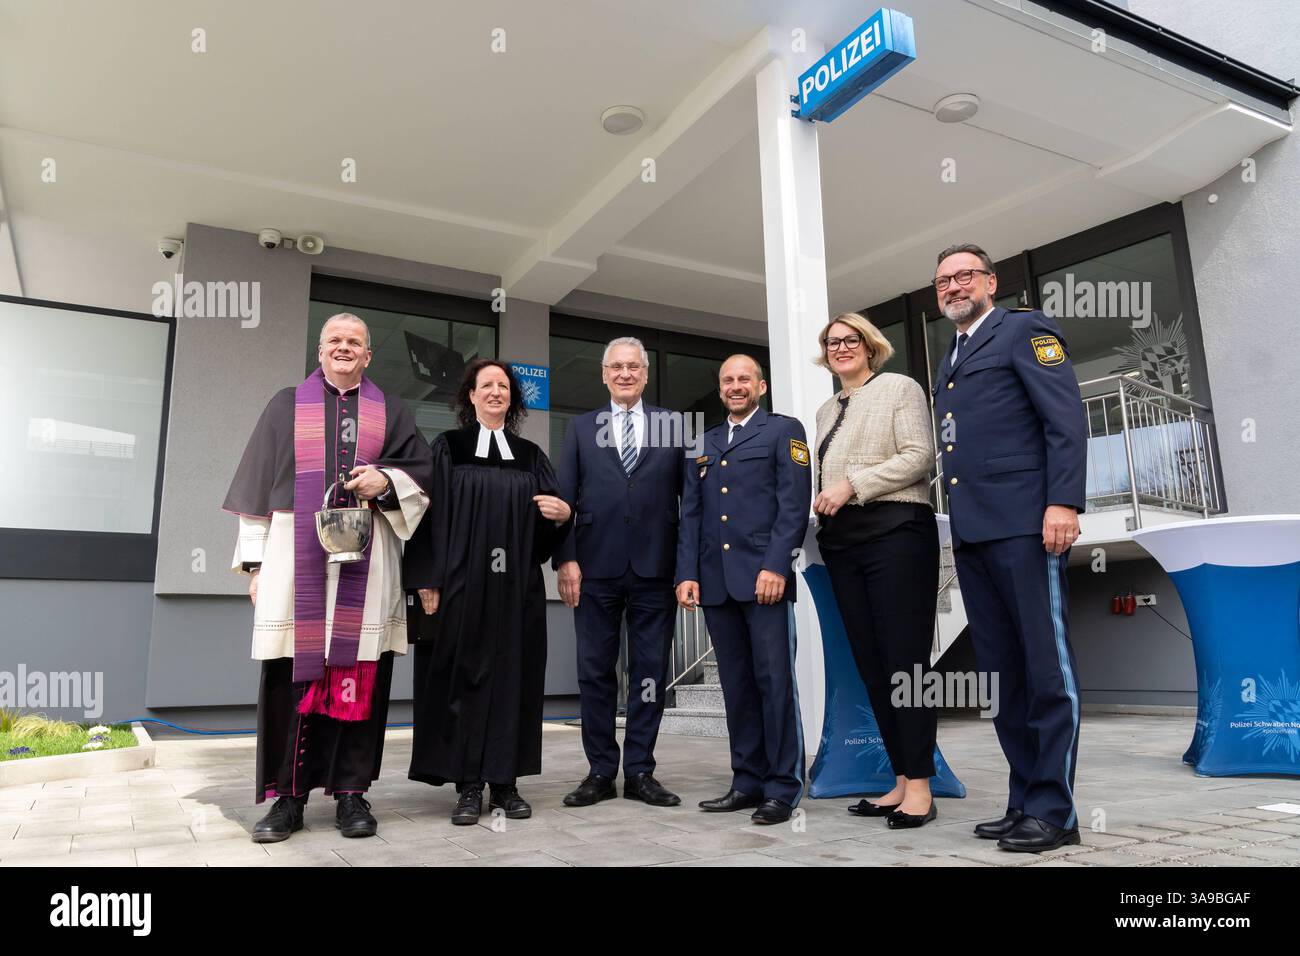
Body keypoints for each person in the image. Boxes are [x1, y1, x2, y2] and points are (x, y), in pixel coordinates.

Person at [223, 312, 432, 843]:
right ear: (320, 351)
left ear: (368, 355)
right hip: (295, 560)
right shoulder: (285, 404)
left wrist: (385, 480)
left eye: (354, 343)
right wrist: (254, 564)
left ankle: (351, 793)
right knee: (292, 673)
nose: (344, 348)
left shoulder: (394, 409)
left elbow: (423, 480)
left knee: (362, 672)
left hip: (369, 558)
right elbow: (256, 487)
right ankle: (286, 798)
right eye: (334, 340)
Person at [931, 242, 1088, 853]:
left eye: (964, 275)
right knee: (1003, 676)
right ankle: (1025, 797)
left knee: (1046, 669)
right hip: (973, 533)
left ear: (991, 283)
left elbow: (1065, 418)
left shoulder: (1025, 330)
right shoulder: (952, 355)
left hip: (1026, 524)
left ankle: (1056, 811)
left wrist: (1063, 501)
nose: (952, 286)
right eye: (943, 281)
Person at [404, 359, 572, 825]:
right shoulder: (448, 448)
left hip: (516, 590)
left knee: (513, 679)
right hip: (461, 587)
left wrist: (561, 517)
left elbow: (546, 531)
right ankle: (468, 786)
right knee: (462, 679)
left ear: (513, 399)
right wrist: (426, 579)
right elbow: (426, 519)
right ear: (471, 396)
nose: (496, 392)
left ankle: (506, 783)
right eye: (487, 386)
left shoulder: (532, 455)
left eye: (504, 386)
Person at [811, 312, 941, 829]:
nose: (841, 348)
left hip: (897, 530)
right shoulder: (825, 409)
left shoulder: (899, 388)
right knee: (871, 664)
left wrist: (853, 484)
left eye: (851, 340)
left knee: (905, 662)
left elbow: (920, 455)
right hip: (844, 543)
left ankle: (922, 787)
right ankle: (901, 780)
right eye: (832, 342)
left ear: (870, 347)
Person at [674, 355, 811, 825]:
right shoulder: (703, 443)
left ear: (761, 385)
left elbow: (793, 505)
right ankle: (747, 780)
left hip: (765, 581)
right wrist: (686, 573)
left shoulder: (783, 430)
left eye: (744, 379)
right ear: (720, 388)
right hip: (716, 584)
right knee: (737, 686)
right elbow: (690, 513)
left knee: (775, 683)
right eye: (728, 380)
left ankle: (783, 785)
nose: (736, 386)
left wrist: (778, 566)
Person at [555, 337, 683, 809]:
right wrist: (565, 559)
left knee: (649, 672)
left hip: (656, 567)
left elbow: (688, 502)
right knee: (594, 672)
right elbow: (565, 498)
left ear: (645, 374)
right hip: (595, 568)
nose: (625, 374)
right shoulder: (580, 428)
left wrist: (687, 568)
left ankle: (642, 772)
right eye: (616, 367)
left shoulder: (673, 426)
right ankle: (601, 771)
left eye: (633, 367)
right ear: (604, 374)